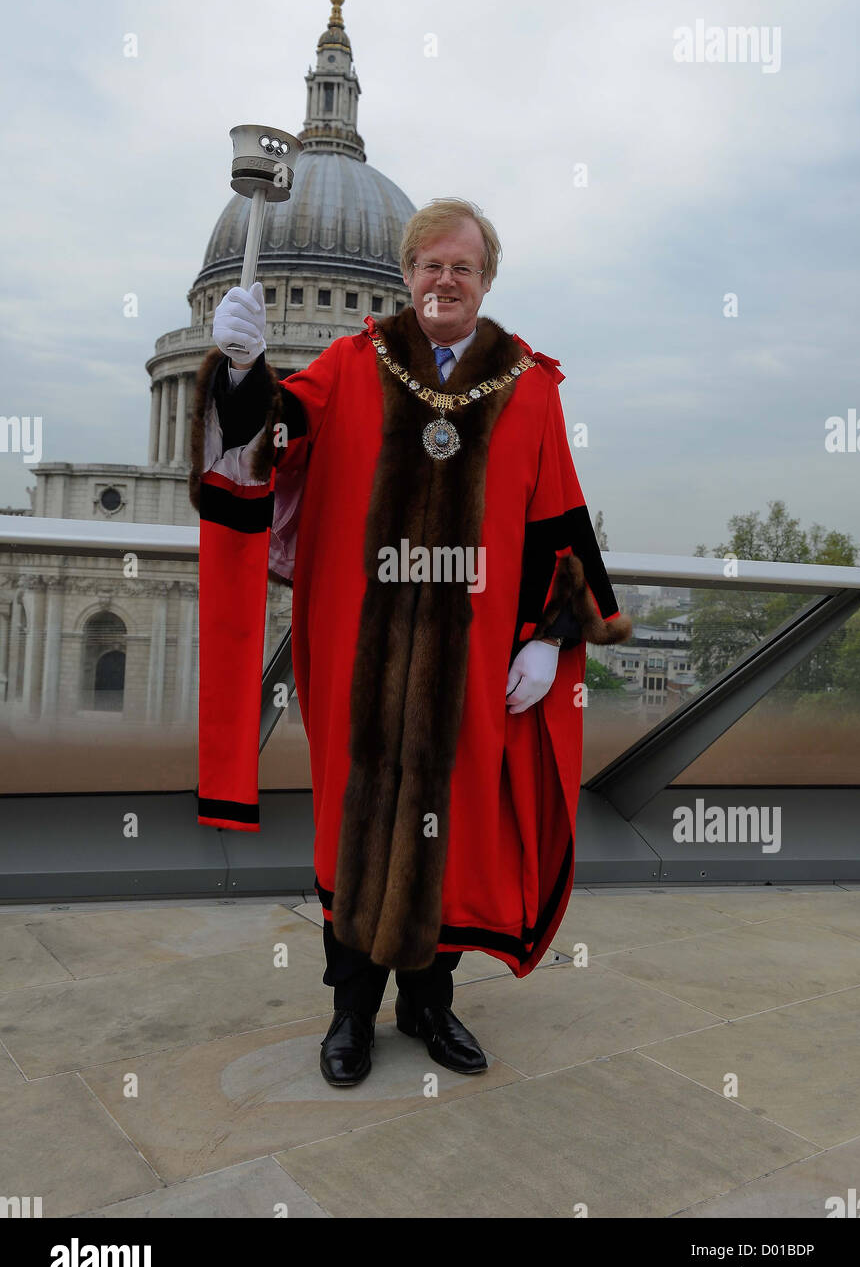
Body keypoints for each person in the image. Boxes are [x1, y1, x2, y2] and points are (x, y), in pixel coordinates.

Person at [189, 197, 631, 1087]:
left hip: (470, 665)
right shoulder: (352, 365)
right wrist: (241, 373)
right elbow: (276, 440)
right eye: (430, 264)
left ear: (485, 280)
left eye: (462, 266)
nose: (445, 279)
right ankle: (351, 1011)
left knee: (451, 823)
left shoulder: (530, 388)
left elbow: (560, 521)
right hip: (357, 650)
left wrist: (550, 637)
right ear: (406, 275)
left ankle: (431, 1004)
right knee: (353, 820)